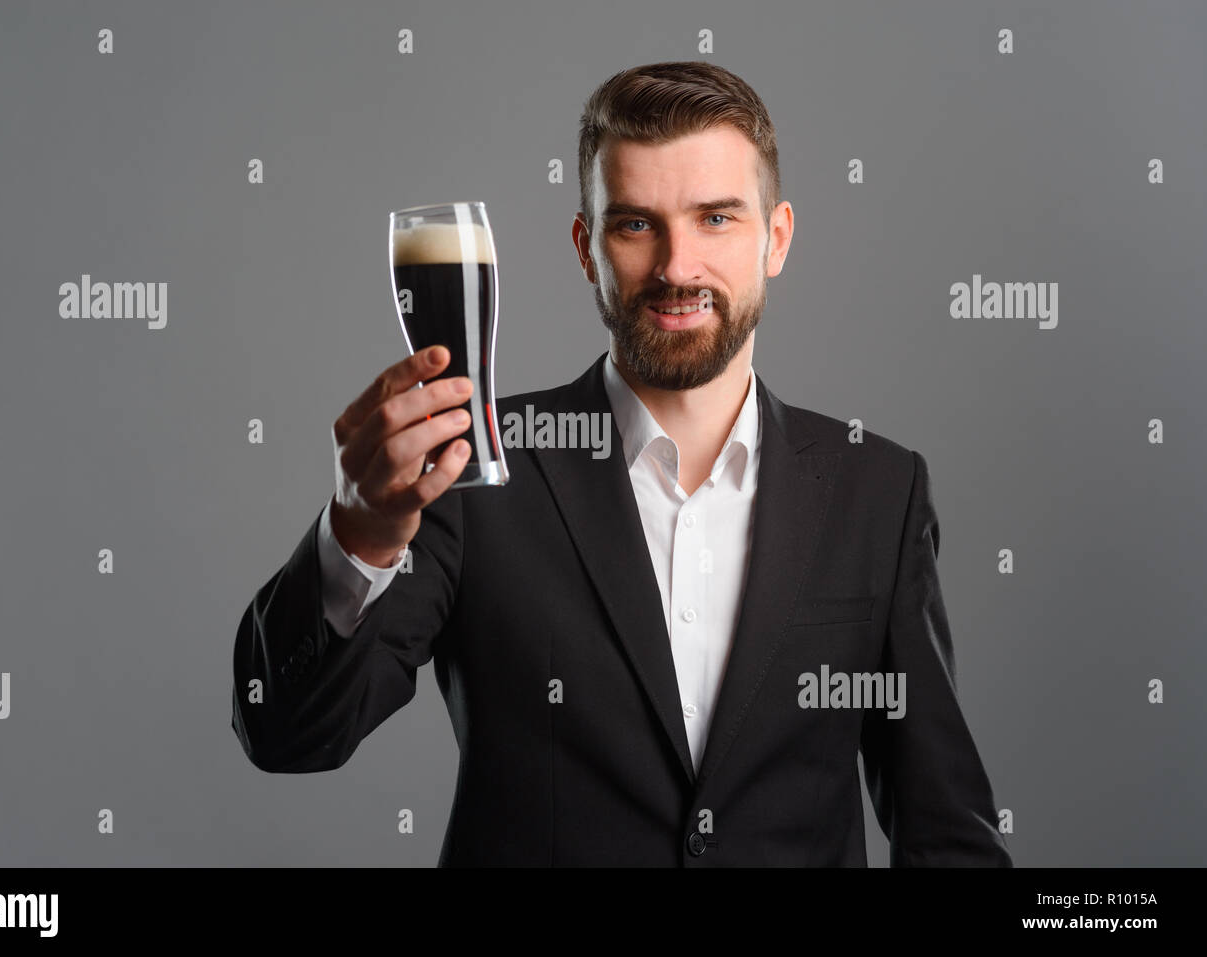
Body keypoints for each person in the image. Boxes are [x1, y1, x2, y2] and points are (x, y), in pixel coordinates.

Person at [231, 60, 1012, 867]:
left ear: (775, 239)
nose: (677, 267)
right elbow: (289, 733)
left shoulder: (877, 491)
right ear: (586, 247)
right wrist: (357, 536)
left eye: (716, 218)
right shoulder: (471, 473)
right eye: (636, 224)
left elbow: (947, 832)